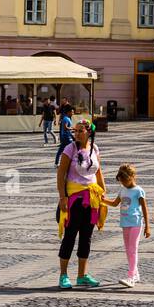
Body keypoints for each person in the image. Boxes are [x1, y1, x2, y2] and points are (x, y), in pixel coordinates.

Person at [55, 119, 105, 289]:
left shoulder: (94, 148)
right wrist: (62, 197)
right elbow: (61, 174)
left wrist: (103, 193)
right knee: (70, 236)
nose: (76, 134)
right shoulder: (70, 149)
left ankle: (82, 275)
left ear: (89, 132)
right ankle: (63, 275)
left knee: (86, 237)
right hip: (75, 198)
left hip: (92, 198)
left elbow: (99, 173)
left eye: (80, 131)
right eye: (75, 131)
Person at [104, 164, 150, 288]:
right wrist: (102, 200)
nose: (123, 183)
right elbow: (115, 203)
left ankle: (131, 277)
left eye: (124, 180)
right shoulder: (122, 189)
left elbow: (145, 208)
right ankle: (136, 274)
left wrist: (147, 226)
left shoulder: (138, 191)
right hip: (125, 223)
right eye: (121, 181)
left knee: (132, 249)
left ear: (132, 177)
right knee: (128, 250)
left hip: (135, 223)